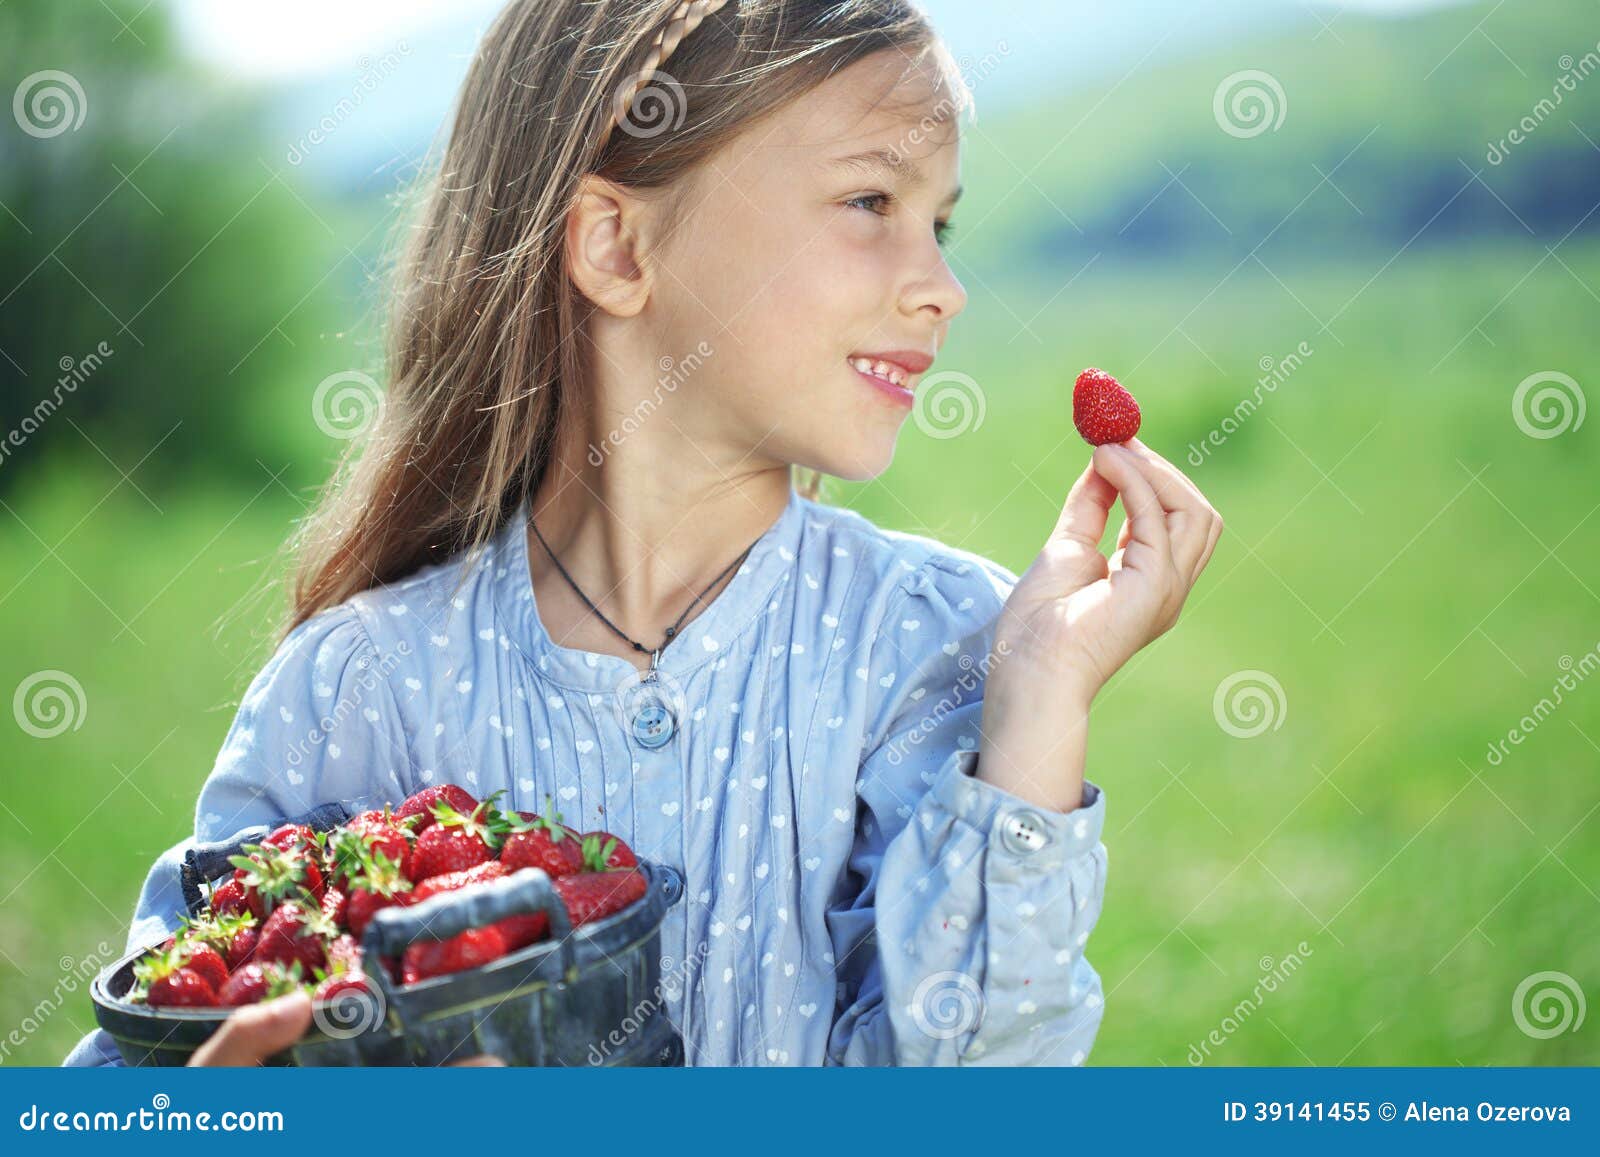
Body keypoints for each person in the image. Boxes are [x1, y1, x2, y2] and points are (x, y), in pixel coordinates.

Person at [65, 0, 1220, 1067]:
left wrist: (1036, 709)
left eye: (941, 222)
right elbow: (155, 1055)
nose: (940, 286)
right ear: (617, 248)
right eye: (872, 202)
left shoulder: (939, 650)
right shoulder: (358, 689)